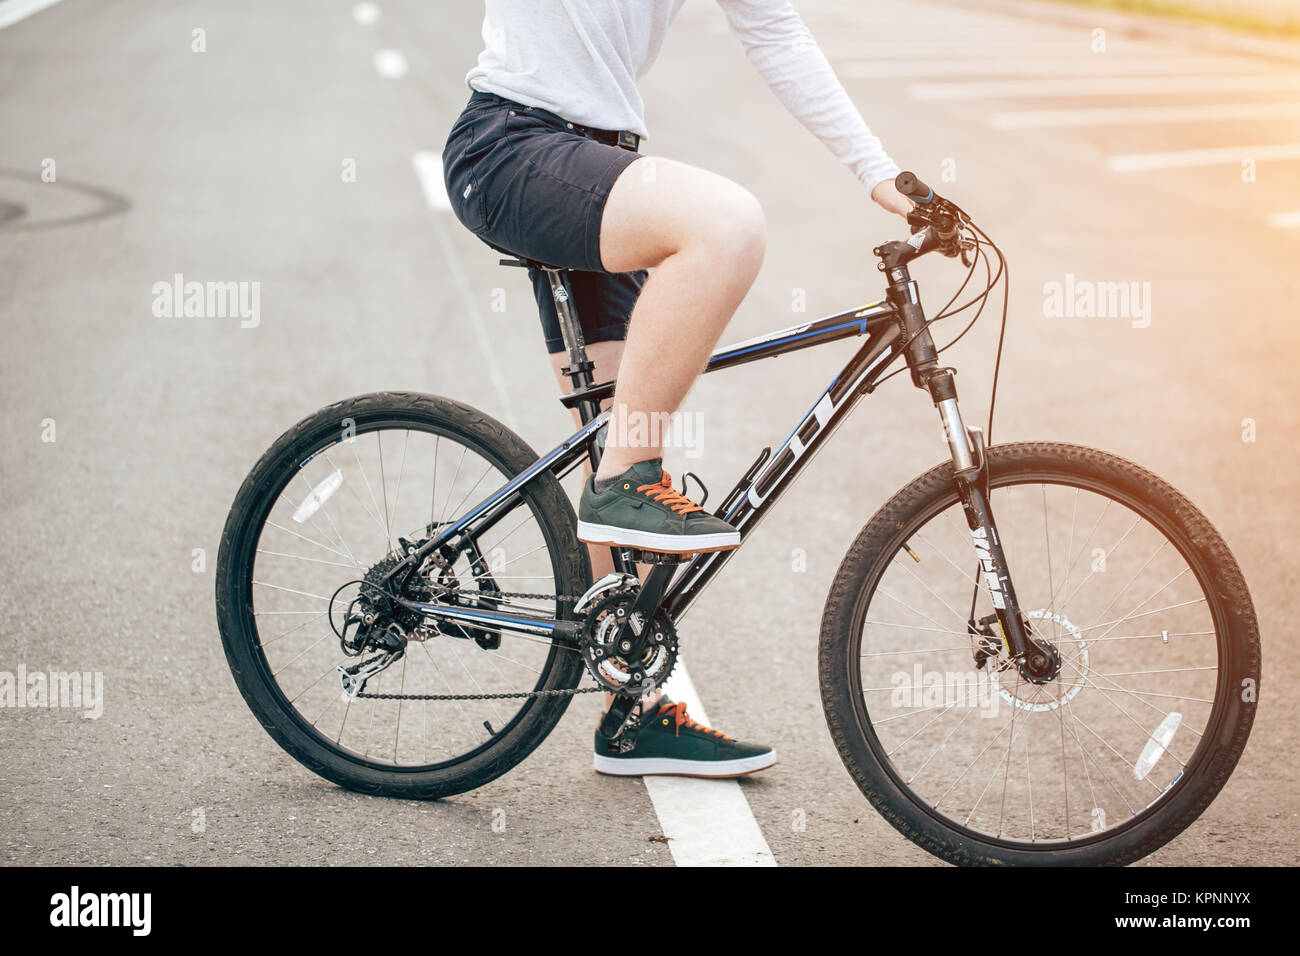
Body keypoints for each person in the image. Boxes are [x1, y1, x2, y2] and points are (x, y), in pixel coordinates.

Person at [443, 0, 911, 778]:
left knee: (614, 429)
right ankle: (628, 479)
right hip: (513, 146)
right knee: (726, 224)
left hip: (595, 164)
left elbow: (775, 30)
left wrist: (878, 170)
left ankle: (630, 714)